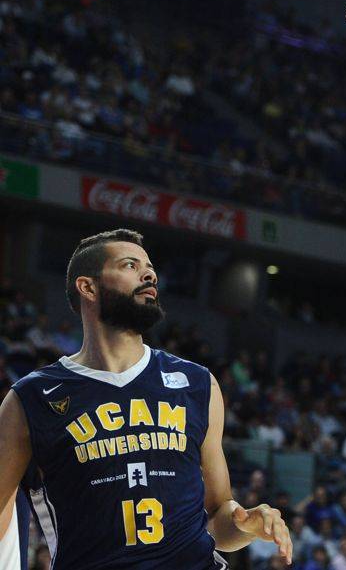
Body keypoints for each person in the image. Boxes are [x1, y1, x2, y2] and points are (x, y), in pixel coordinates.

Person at [0, 229, 293, 568]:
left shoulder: (197, 383)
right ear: (88, 287)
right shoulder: (31, 399)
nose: (149, 273)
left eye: (149, 267)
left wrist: (245, 523)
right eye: (129, 265)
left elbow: (218, 518)